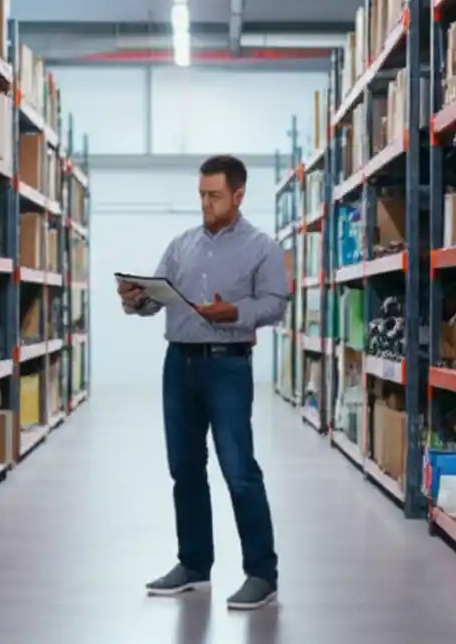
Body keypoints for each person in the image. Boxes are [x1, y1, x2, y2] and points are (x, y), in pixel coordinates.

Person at [118, 154, 289, 611]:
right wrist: (136, 300)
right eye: (201, 195)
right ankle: (194, 566)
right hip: (179, 365)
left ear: (238, 195)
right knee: (185, 469)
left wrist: (234, 312)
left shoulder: (262, 247)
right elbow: (157, 300)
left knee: (239, 471)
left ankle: (261, 573)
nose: (206, 204)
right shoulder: (181, 246)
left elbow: (276, 304)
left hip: (228, 366)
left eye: (214, 195)